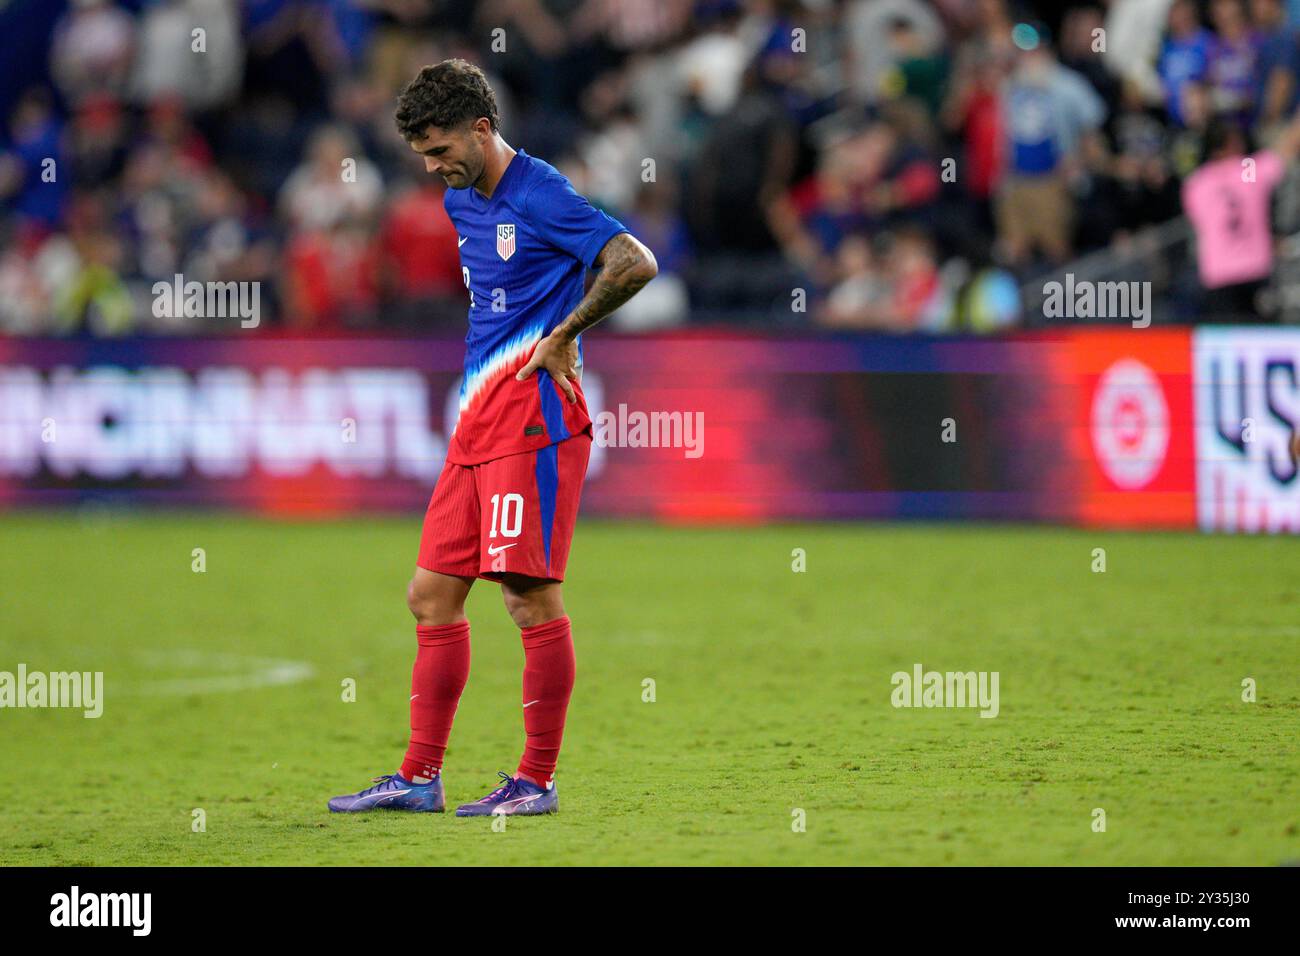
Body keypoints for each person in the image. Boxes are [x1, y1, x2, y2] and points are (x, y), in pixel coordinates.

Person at [328, 59, 657, 817]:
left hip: (535, 426)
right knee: (431, 596)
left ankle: (536, 781)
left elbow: (632, 261)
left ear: (483, 128)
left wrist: (569, 331)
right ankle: (419, 778)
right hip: (477, 422)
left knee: (528, 599)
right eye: (423, 157)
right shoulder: (462, 201)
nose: (434, 167)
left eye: (441, 150)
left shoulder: (539, 192)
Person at [1182, 111, 1300, 320]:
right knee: (1261, 339)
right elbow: (1290, 144)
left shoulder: (1197, 183)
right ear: (1232, 143)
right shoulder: (1248, 170)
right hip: (1254, 268)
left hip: (1218, 274)